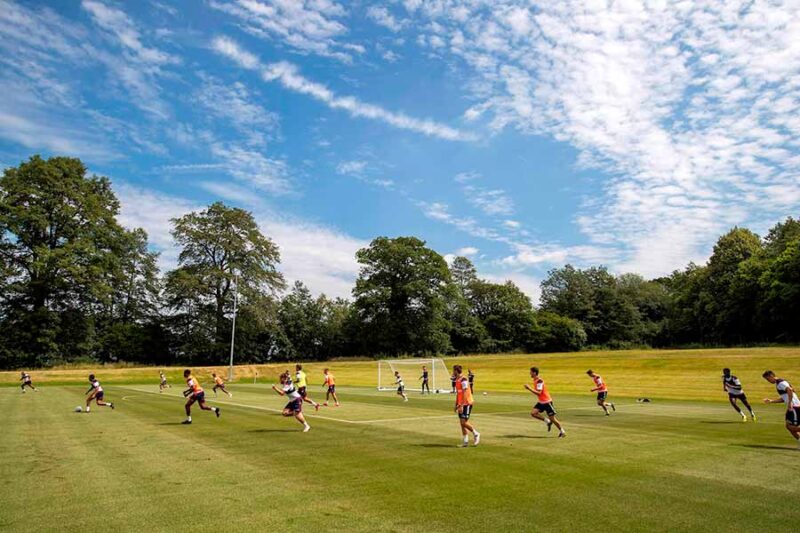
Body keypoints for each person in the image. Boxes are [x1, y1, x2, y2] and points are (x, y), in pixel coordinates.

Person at [762, 370, 800, 448]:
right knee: (788, 426)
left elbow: (789, 390)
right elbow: (784, 398)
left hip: (794, 407)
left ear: (771, 376)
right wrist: (771, 401)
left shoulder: (780, 383)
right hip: (794, 406)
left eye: (768, 379)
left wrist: (790, 403)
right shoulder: (779, 383)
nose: (768, 381)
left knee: (791, 427)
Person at [524, 367, 565, 438]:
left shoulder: (539, 381)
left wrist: (529, 388)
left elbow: (539, 393)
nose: (530, 373)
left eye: (531, 372)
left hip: (547, 402)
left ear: (534, 373)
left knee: (553, 419)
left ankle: (562, 432)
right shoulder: (535, 380)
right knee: (533, 413)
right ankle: (547, 421)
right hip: (541, 402)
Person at [453, 365, 480, 447]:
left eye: (453, 370)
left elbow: (465, 393)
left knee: (463, 422)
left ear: (456, 371)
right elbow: (458, 393)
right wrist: (456, 404)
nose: (453, 372)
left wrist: (461, 405)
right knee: (462, 423)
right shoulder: (457, 380)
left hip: (467, 403)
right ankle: (465, 442)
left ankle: (476, 434)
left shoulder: (463, 380)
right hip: (461, 404)